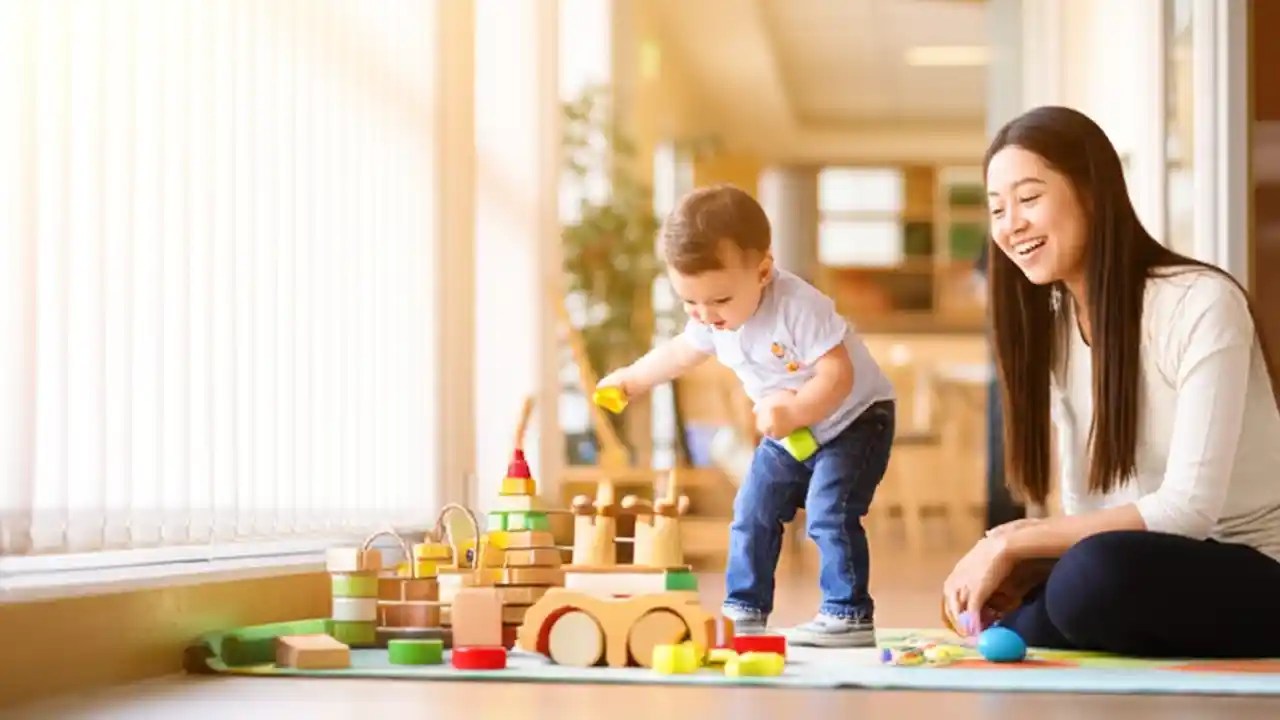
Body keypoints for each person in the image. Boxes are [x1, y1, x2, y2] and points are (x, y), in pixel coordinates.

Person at [943, 105, 1280, 657]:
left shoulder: (1199, 302)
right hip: (1149, 561)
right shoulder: (1054, 329)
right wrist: (1025, 564)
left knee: (1089, 581)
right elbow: (1085, 509)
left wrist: (1012, 540)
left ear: (1094, 193)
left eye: (1029, 199)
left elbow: (1187, 512)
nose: (1011, 224)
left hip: (1257, 564)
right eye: (997, 209)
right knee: (1020, 611)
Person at [598, 184, 896, 647]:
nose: (706, 315)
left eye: (718, 300)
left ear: (762, 271)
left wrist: (796, 409)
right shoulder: (706, 319)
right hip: (791, 427)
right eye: (690, 302)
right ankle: (745, 608)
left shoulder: (799, 306)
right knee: (752, 509)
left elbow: (838, 373)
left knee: (828, 511)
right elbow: (679, 354)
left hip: (853, 419)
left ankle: (848, 613)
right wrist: (632, 380)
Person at [973, 242, 1026, 530]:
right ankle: (1005, 525)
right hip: (1008, 345)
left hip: (1010, 343)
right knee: (1006, 432)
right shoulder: (999, 237)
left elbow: (980, 287)